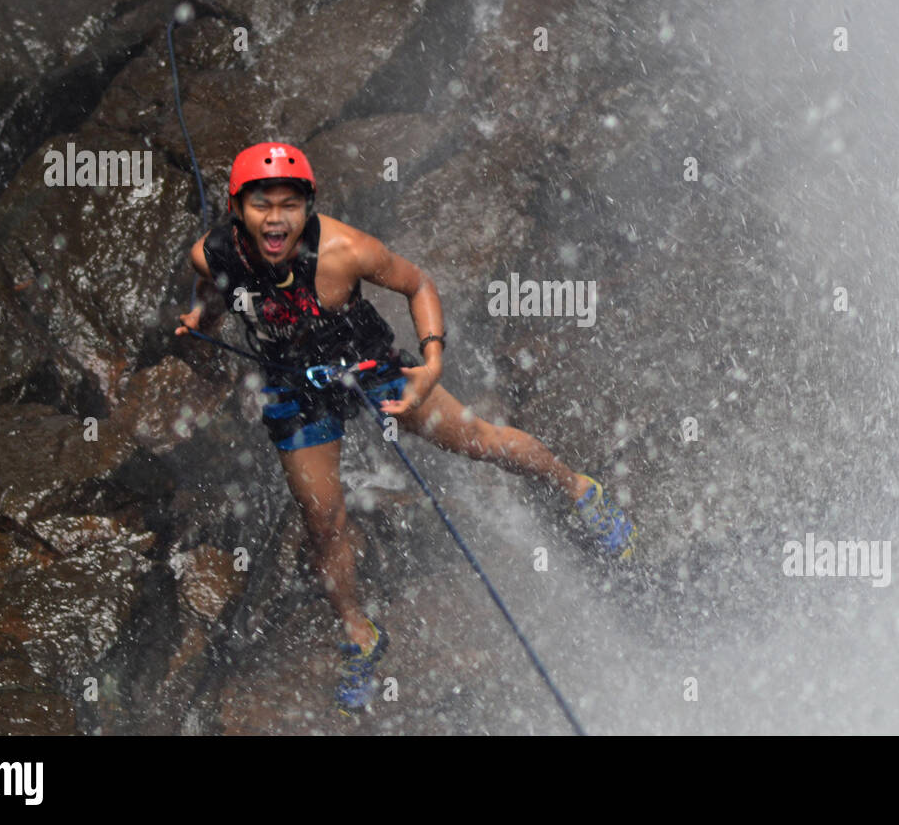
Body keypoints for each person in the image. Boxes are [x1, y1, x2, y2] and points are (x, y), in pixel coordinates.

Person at [175, 142, 636, 712]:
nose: (276, 219)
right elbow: (215, 284)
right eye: (262, 205)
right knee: (322, 520)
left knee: (480, 441)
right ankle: (360, 634)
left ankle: (579, 489)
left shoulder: (344, 251)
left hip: (373, 368)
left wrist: (431, 364)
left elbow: (418, 285)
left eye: (290, 205)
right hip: (295, 384)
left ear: (309, 206)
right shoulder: (211, 253)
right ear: (236, 209)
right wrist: (202, 316)